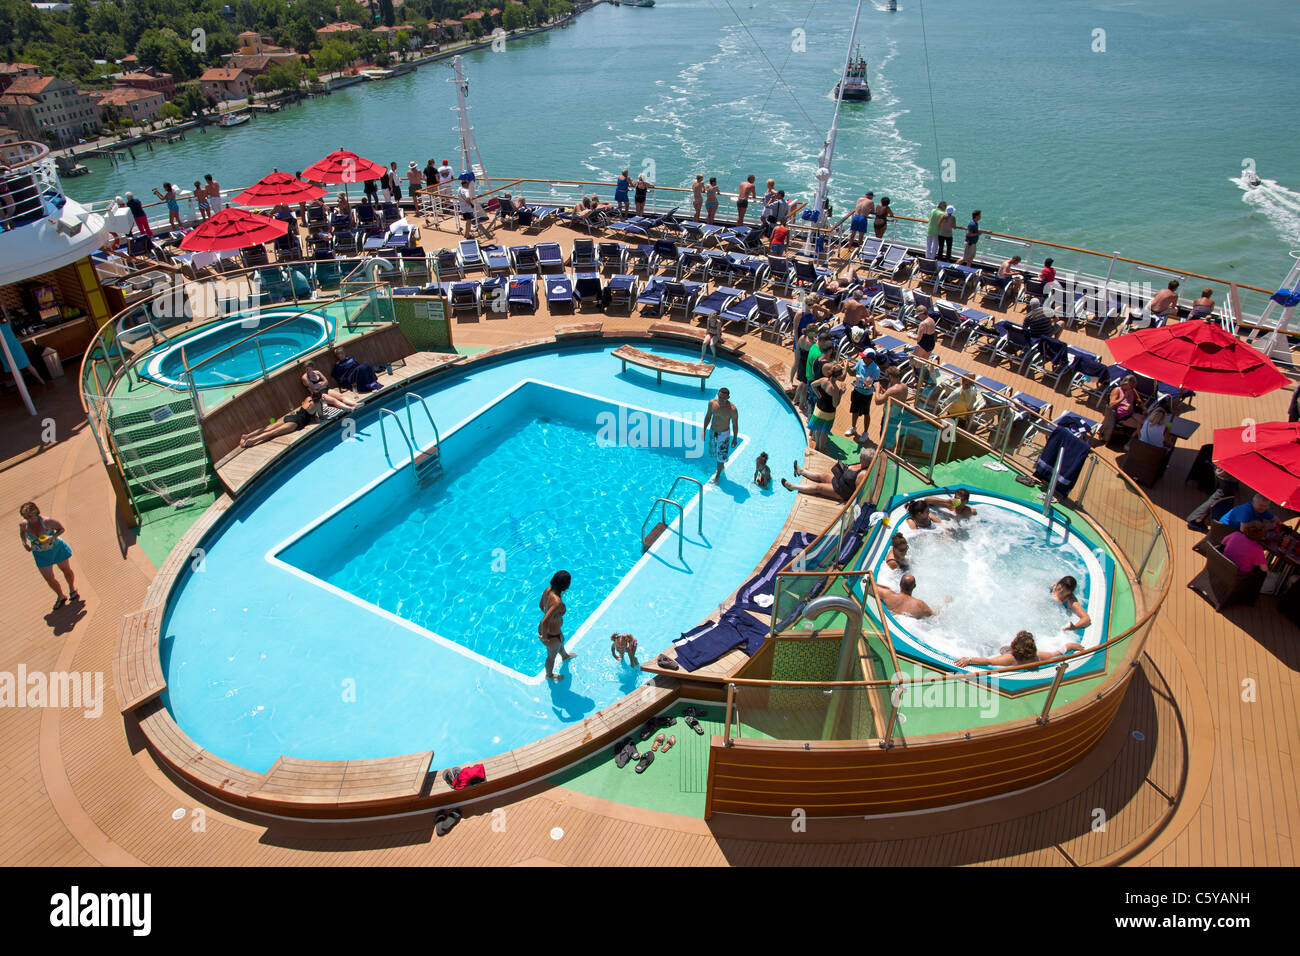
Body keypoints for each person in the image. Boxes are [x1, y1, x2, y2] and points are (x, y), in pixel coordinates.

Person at [19, 501, 78, 611]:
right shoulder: (24, 525)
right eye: (25, 517)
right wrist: (25, 543)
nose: (28, 519)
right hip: (41, 555)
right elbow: (22, 534)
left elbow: (61, 529)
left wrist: (52, 537)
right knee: (49, 579)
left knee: (66, 570)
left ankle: (72, 589)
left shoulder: (47, 522)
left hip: (56, 550)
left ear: (36, 513)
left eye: (30, 516)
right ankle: (60, 595)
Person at [783, 447, 874, 501]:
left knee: (818, 487)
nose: (860, 457)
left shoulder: (863, 474)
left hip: (841, 491)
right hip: (840, 480)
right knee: (823, 475)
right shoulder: (860, 464)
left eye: (862, 457)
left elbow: (857, 492)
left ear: (867, 461)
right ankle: (801, 471)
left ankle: (792, 487)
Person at [956, 630, 1084, 668]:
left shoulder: (1010, 659)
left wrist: (969, 659)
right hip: (1003, 648)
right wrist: (1070, 646)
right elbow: (1057, 653)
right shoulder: (1036, 657)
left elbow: (988, 661)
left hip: (1003, 649)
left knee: (987, 645)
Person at [239, 395, 324, 448]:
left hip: (290, 416)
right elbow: (321, 416)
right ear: (319, 399)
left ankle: (247, 436)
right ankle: (252, 441)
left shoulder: (308, 398)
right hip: (296, 422)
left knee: (267, 428)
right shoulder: (318, 405)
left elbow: (305, 410)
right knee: (272, 432)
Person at [538, 570, 577, 680]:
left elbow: (541, 606)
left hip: (554, 632)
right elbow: (545, 621)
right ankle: (549, 675)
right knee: (551, 657)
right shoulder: (557, 602)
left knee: (561, 641)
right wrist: (545, 638)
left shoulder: (547, 590)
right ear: (565, 586)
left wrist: (552, 617)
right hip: (550, 635)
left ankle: (564, 656)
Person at [1186, 465, 1241, 532]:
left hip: (1225, 473)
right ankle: (1196, 519)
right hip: (1228, 475)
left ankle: (1197, 519)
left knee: (1220, 497)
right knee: (1218, 497)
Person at [702, 386, 738, 484]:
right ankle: (721, 466)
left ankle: (718, 473)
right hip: (713, 432)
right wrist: (704, 430)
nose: (721, 400)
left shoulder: (732, 409)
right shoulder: (712, 403)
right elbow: (708, 416)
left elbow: (735, 425)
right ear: (718, 394)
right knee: (714, 452)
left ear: (728, 398)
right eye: (720, 397)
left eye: (723, 398)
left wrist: (734, 439)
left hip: (724, 434)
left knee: (720, 456)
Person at [806, 363, 845, 453]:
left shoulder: (823, 380)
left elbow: (812, 385)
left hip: (818, 409)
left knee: (818, 429)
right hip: (828, 413)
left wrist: (819, 395)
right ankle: (821, 448)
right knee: (824, 432)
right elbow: (835, 404)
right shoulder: (834, 388)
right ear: (838, 376)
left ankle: (817, 447)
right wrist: (841, 393)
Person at [848, 348, 880, 440]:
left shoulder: (876, 369)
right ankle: (853, 427)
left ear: (870, 359)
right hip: (857, 391)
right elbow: (852, 373)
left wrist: (867, 384)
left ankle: (865, 432)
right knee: (854, 410)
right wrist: (847, 368)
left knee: (866, 413)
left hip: (867, 395)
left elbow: (873, 384)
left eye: (865, 357)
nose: (863, 359)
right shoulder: (860, 362)